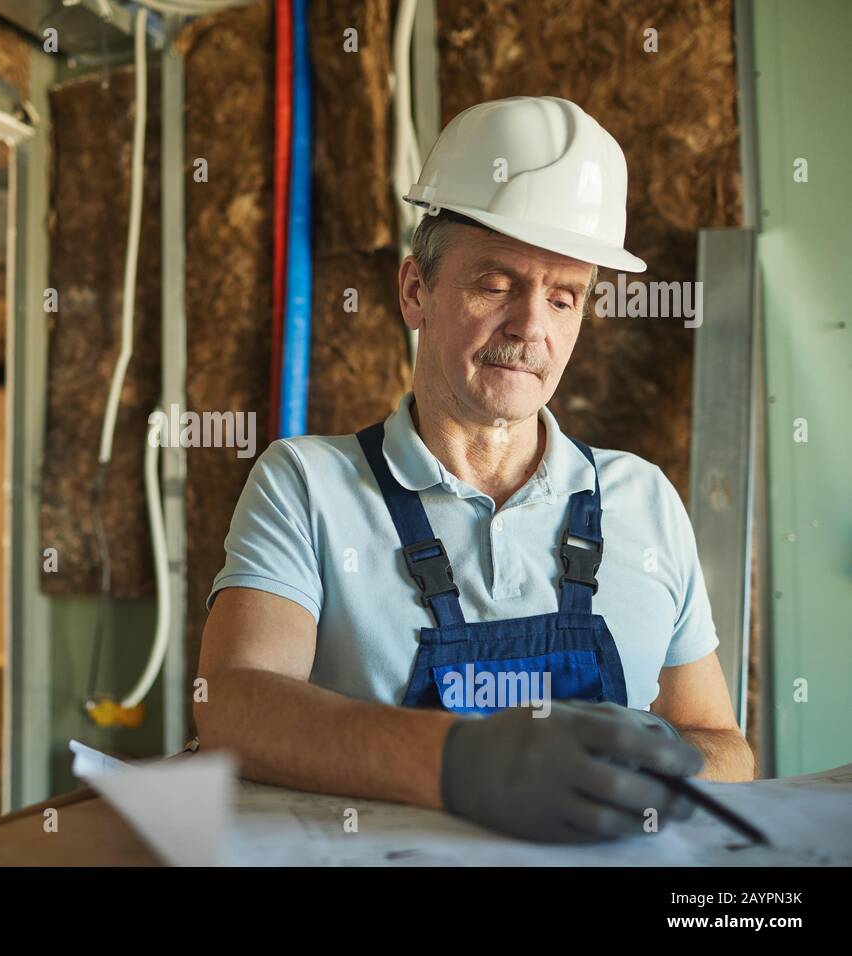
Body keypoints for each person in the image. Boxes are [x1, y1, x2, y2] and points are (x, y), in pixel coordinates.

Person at [196, 96, 754, 844]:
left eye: (564, 297)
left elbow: (723, 742)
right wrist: (458, 762)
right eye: (497, 283)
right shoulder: (307, 485)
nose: (531, 326)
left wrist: (664, 767)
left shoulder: (641, 497)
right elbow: (234, 702)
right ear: (415, 290)